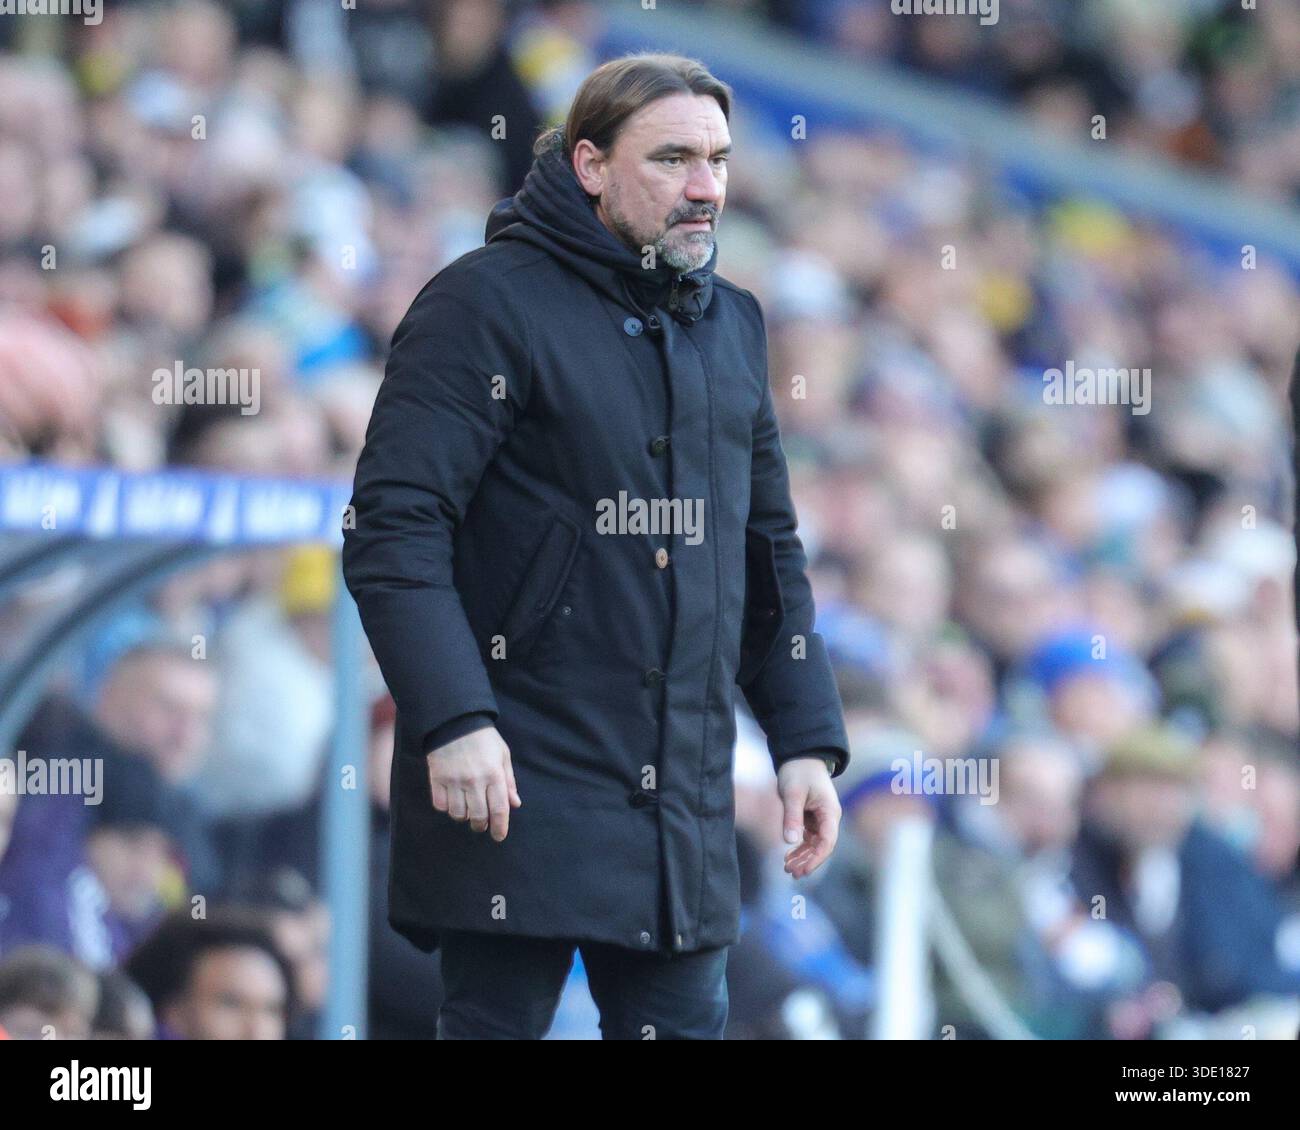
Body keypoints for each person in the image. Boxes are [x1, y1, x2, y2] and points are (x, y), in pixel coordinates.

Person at [342, 52, 851, 1040]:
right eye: (671, 158)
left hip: (683, 794)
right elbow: (392, 526)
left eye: (717, 159)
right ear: (589, 164)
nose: (705, 186)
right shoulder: (480, 304)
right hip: (513, 773)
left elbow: (765, 550)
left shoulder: (733, 323)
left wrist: (803, 737)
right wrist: (452, 716)